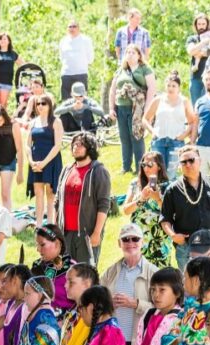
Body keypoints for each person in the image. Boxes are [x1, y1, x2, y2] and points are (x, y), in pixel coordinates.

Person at [160, 146, 210, 270]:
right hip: (186, 248)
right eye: (183, 162)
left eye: (191, 160)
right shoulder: (173, 190)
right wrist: (173, 236)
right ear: (179, 165)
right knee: (190, 287)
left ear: (200, 161)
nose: (188, 164)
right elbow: (165, 219)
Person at [55, 132, 111, 265]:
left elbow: (104, 205)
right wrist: (56, 231)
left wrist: (97, 232)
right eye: (74, 144)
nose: (76, 147)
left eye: (80, 144)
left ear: (90, 148)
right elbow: (57, 202)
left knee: (85, 277)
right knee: (65, 277)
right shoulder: (66, 170)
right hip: (65, 234)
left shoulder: (99, 171)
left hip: (87, 235)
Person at [99, 223, 158, 345]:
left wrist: (136, 304)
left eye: (135, 239)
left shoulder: (154, 273)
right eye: (125, 239)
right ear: (119, 243)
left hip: (140, 342)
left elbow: (161, 310)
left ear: (142, 242)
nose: (130, 243)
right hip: (112, 339)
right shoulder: (111, 271)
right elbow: (97, 300)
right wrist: (107, 304)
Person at [109, 45, 156, 175]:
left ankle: (139, 167)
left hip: (138, 108)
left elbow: (152, 89)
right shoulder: (120, 71)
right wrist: (111, 108)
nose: (129, 54)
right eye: (127, 52)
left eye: (133, 52)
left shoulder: (145, 69)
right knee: (124, 137)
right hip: (121, 107)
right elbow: (113, 90)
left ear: (139, 55)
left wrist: (147, 110)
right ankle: (126, 167)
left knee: (136, 136)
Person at [142, 71, 195, 179]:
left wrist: (184, 135)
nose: (171, 88)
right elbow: (145, 119)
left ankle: (172, 194)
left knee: (170, 175)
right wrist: (152, 131)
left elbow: (192, 122)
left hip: (176, 142)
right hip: (159, 140)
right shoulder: (158, 100)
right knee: (156, 173)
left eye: (174, 86)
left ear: (178, 88)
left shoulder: (184, 101)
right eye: (168, 85)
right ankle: (157, 195)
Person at [122, 152, 172, 267]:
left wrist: (158, 199)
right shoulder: (135, 184)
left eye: (150, 164)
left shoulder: (168, 186)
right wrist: (142, 198)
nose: (146, 168)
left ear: (159, 166)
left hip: (160, 239)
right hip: (138, 239)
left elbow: (171, 214)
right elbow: (126, 210)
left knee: (161, 278)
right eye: (143, 164)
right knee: (139, 275)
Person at [26, 93, 63, 226]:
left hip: (51, 160)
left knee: (50, 192)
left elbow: (57, 145)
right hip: (35, 161)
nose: (40, 106)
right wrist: (31, 161)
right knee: (38, 192)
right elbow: (27, 144)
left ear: (49, 105)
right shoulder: (33, 122)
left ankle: (51, 223)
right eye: (38, 104)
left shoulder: (56, 121)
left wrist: (44, 163)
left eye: (43, 103)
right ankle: (39, 224)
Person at [31, 224, 75, 312]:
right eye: (37, 245)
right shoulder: (37, 266)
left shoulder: (72, 269)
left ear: (57, 243)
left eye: (42, 245)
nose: (38, 249)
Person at [0, 105, 24, 213]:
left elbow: (19, 149)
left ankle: (7, 220)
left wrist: (20, 172)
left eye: (0, 120)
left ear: (5, 117)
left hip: (8, 163)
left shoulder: (13, 125)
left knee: (5, 194)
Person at [59, 20, 94, 100]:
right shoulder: (63, 41)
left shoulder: (86, 40)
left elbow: (90, 58)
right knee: (66, 100)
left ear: (78, 28)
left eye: (74, 26)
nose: (72, 29)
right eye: (70, 27)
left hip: (81, 73)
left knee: (82, 99)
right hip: (66, 74)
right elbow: (62, 57)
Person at [186, 14, 210, 104]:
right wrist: (204, 42)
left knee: (209, 105)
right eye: (199, 24)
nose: (201, 26)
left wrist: (199, 53)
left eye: (203, 24)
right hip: (196, 77)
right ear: (196, 25)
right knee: (196, 107)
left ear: (207, 25)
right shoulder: (192, 39)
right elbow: (191, 51)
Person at [0, 33, 25, 106]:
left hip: (7, 82)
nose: (2, 40)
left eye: (4, 39)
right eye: (0, 39)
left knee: (3, 104)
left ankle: (2, 117)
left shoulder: (12, 53)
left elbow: (22, 64)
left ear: (9, 41)